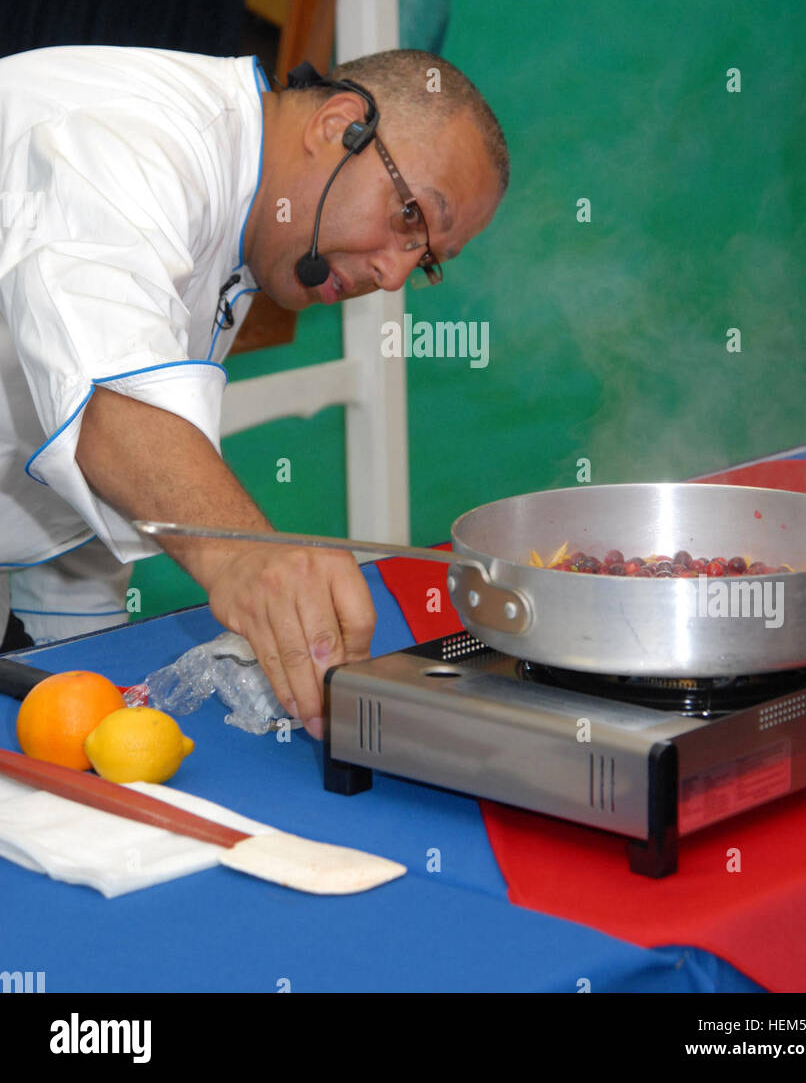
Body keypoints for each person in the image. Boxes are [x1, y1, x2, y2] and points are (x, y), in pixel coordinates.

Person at [0, 44, 509, 738]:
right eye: (410, 217)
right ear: (338, 124)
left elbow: (73, 440)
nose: (392, 277)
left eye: (424, 264)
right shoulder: (128, 136)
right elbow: (103, 402)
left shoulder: (249, 216)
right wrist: (244, 554)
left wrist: (80, 665)